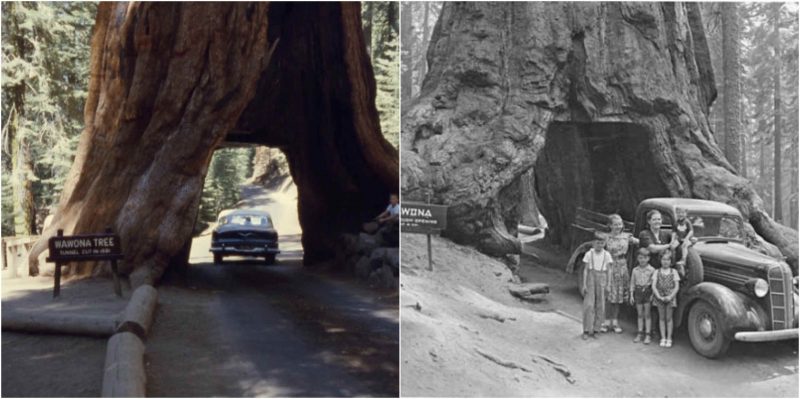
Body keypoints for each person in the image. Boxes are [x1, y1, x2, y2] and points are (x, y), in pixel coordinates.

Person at [601, 214, 639, 334]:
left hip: (622, 266)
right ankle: (606, 321)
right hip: (610, 265)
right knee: (609, 295)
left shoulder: (627, 237)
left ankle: (615, 321)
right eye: (615, 224)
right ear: (610, 225)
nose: (618, 226)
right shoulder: (606, 238)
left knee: (618, 296)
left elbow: (641, 242)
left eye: (620, 224)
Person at [582, 236, 614, 340]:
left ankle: (596, 329)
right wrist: (584, 284)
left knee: (600, 305)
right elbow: (586, 270)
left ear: (604, 243)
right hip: (591, 277)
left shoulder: (607, 255)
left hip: (602, 278)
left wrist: (609, 284)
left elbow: (609, 270)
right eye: (597, 243)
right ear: (593, 243)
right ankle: (586, 329)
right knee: (589, 305)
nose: (599, 245)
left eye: (601, 243)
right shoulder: (589, 254)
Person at [652, 249, 680, 348]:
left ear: (671, 261)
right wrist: (658, 296)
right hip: (659, 297)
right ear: (660, 260)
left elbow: (676, 287)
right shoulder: (657, 272)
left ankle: (669, 338)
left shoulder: (674, 272)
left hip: (670, 298)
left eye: (668, 260)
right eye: (663, 259)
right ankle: (663, 337)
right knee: (662, 318)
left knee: (669, 318)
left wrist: (670, 296)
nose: (665, 262)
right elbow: (654, 286)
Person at [629, 248, 655, 344]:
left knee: (647, 314)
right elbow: (632, 283)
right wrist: (631, 295)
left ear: (648, 258)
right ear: (637, 258)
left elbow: (653, 283)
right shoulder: (635, 270)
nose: (642, 260)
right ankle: (640, 333)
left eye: (644, 258)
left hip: (647, 292)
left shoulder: (651, 270)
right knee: (640, 314)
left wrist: (652, 294)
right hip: (638, 292)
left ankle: (647, 334)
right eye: (640, 258)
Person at [673, 207, 694, 277]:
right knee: (672, 246)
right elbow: (674, 232)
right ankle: (673, 260)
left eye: (682, 213)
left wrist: (686, 238)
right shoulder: (676, 223)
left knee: (684, 246)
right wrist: (672, 240)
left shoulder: (687, 222)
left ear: (686, 214)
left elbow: (691, 231)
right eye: (679, 213)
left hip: (687, 239)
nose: (680, 214)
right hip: (679, 239)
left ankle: (683, 260)